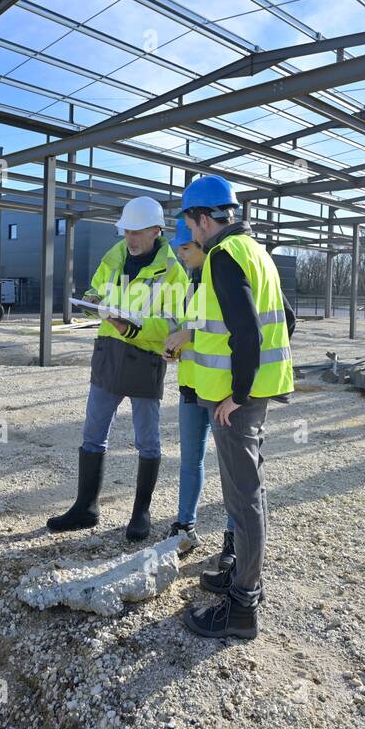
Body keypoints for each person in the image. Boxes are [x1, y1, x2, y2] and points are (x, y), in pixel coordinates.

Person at [173, 176, 293, 640]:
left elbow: (248, 334)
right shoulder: (255, 250)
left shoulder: (223, 256)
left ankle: (242, 606)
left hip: (236, 402)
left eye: (189, 222)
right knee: (249, 491)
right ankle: (239, 576)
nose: (190, 233)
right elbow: (288, 318)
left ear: (204, 219)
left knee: (243, 499)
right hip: (252, 393)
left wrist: (238, 394)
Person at [47, 196, 189, 541]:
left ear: (157, 230)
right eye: (127, 231)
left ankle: (141, 512)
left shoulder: (174, 272)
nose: (131, 239)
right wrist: (91, 302)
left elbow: (176, 325)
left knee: (148, 441)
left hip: (145, 359)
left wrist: (135, 328)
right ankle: (86, 507)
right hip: (109, 353)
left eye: (138, 232)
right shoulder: (114, 257)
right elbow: (97, 290)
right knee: (93, 433)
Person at [161, 217, 227, 554]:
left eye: (186, 248)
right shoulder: (190, 283)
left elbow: (232, 331)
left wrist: (191, 335)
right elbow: (193, 329)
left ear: (203, 243)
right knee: (191, 461)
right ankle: (185, 525)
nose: (181, 254)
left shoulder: (224, 278)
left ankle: (234, 537)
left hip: (219, 390)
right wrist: (176, 345)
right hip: (191, 385)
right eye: (178, 249)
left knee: (232, 469)